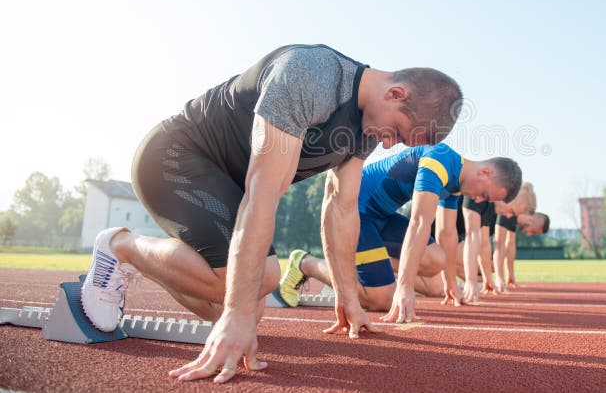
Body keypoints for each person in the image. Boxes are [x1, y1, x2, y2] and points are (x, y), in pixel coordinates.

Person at [79, 44, 462, 384]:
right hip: (174, 160)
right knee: (247, 288)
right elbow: (262, 195)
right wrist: (235, 312)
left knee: (250, 300)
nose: (388, 144)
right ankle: (121, 246)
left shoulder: (367, 128)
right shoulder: (310, 75)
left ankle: (161, 265)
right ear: (396, 94)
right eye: (396, 132)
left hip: (230, 186)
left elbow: (341, 207)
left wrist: (349, 297)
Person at [277, 143, 521, 322]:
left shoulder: (456, 184)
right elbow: (418, 222)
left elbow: (446, 233)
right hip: (354, 211)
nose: (479, 199)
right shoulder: (440, 161)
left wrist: (450, 284)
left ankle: (362, 268)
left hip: (380, 216)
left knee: (436, 260)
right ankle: (306, 263)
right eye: (484, 195)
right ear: (485, 172)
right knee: (383, 299)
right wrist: (404, 287)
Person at [492, 183, 550, 292]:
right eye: (533, 231)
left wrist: (510, 274)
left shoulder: (514, 218)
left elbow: (510, 244)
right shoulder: (508, 213)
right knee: (489, 264)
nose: (528, 234)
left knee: (488, 266)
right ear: (531, 219)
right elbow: (499, 244)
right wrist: (499, 277)